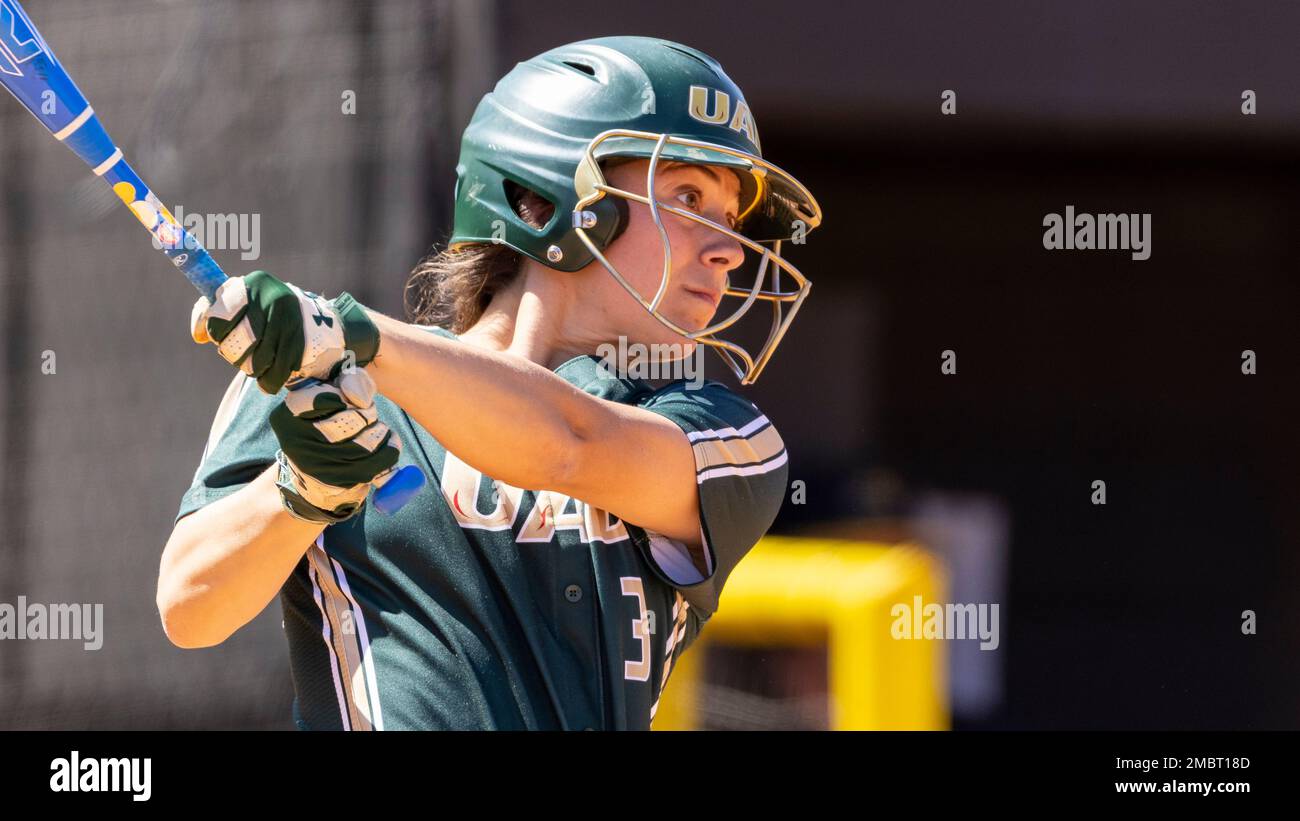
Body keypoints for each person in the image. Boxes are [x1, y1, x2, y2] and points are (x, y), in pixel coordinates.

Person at [156, 35, 821, 730]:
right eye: (688, 196)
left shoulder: (721, 431)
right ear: (540, 200)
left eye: (730, 219)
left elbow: (569, 442)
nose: (727, 250)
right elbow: (189, 607)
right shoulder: (321, 380)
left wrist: (359, 337)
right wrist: (300, 492)